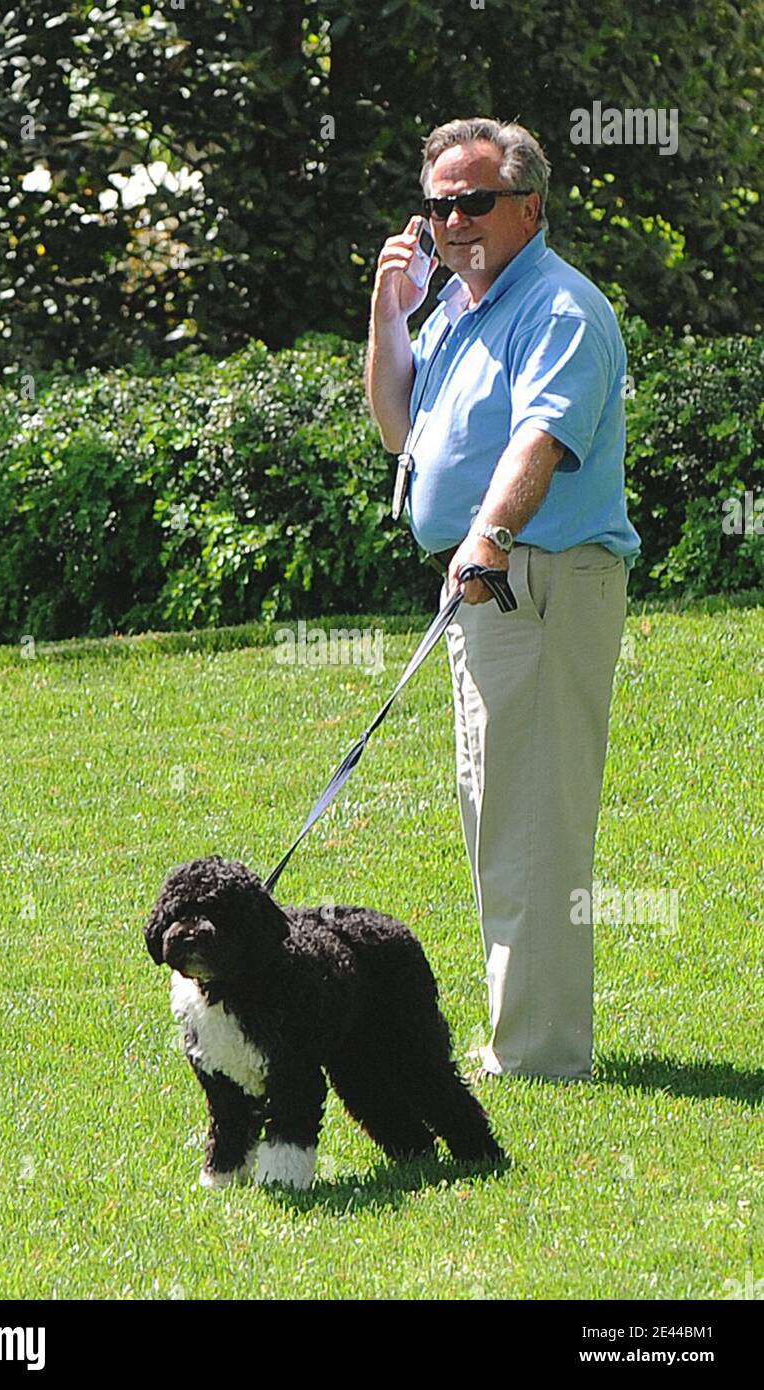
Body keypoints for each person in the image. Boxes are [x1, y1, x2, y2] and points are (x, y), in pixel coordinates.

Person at [365, 117, 641, 1081]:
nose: (453, 221)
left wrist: (487, 537)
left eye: (474, 202)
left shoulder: (558, 309)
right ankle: (521, 1039)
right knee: (500, 811)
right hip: (488, 592)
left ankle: (539, 1054)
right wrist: (388, 312)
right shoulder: (457, 312)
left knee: (532, 821)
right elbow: (400, 432)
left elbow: (541, 440)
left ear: (528, 205)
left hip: (536, 582)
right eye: (439, 204)